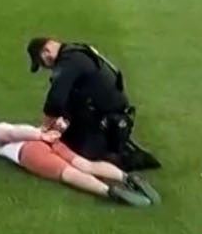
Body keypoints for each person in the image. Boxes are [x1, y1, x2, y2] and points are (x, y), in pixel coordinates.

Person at [27, 38, 160, 172]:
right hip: (105, 113)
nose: (48, 68)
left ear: (46, 52)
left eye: (43, 64)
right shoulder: (77, 53)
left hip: (105, 119)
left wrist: (44, 129)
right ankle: (115, 144)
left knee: (82, 157)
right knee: (63, 139)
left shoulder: (69, 62)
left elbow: (55, 100)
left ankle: (124, 156)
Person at [0, 121, 157, 207]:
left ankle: (110, 192)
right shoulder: (9, 123)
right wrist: (42, 134)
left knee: (69, 173)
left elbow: (10, 135)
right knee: (86, 165)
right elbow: (17, 130)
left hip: (29, 151)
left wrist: (38, 136)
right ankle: (127, 178)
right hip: (49, 141)